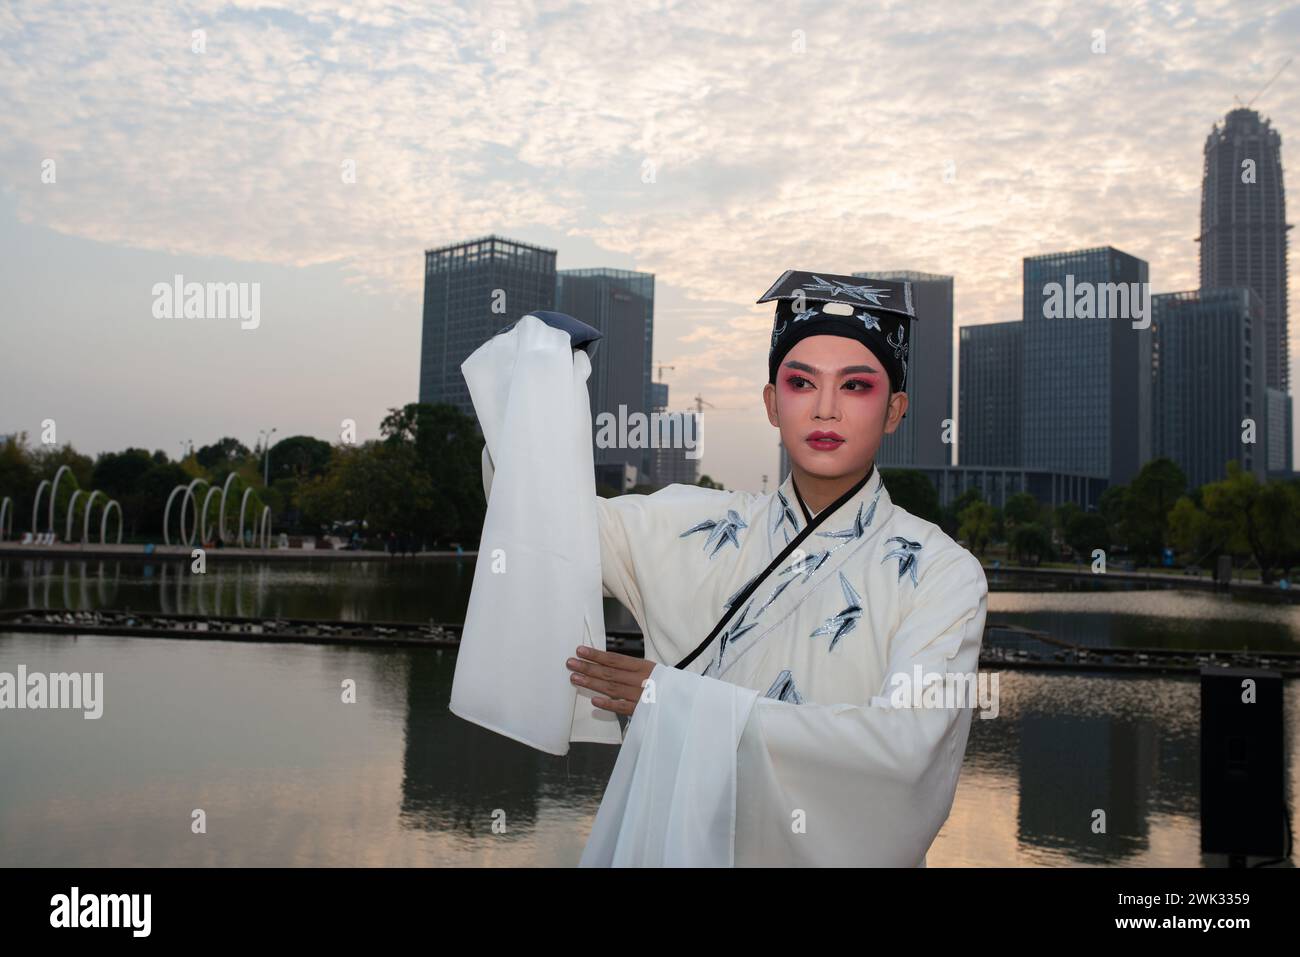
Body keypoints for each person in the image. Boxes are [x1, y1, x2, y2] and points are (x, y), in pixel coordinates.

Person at [458, 272, 988, 867]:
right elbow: (544, 520)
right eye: (801, 382)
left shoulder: (943, 573)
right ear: (771, 402)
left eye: (857, 385)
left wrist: (674, 700)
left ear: (895, 410)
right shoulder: (694, 525)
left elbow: (906, 749)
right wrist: (536, 387)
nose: (826, 408)